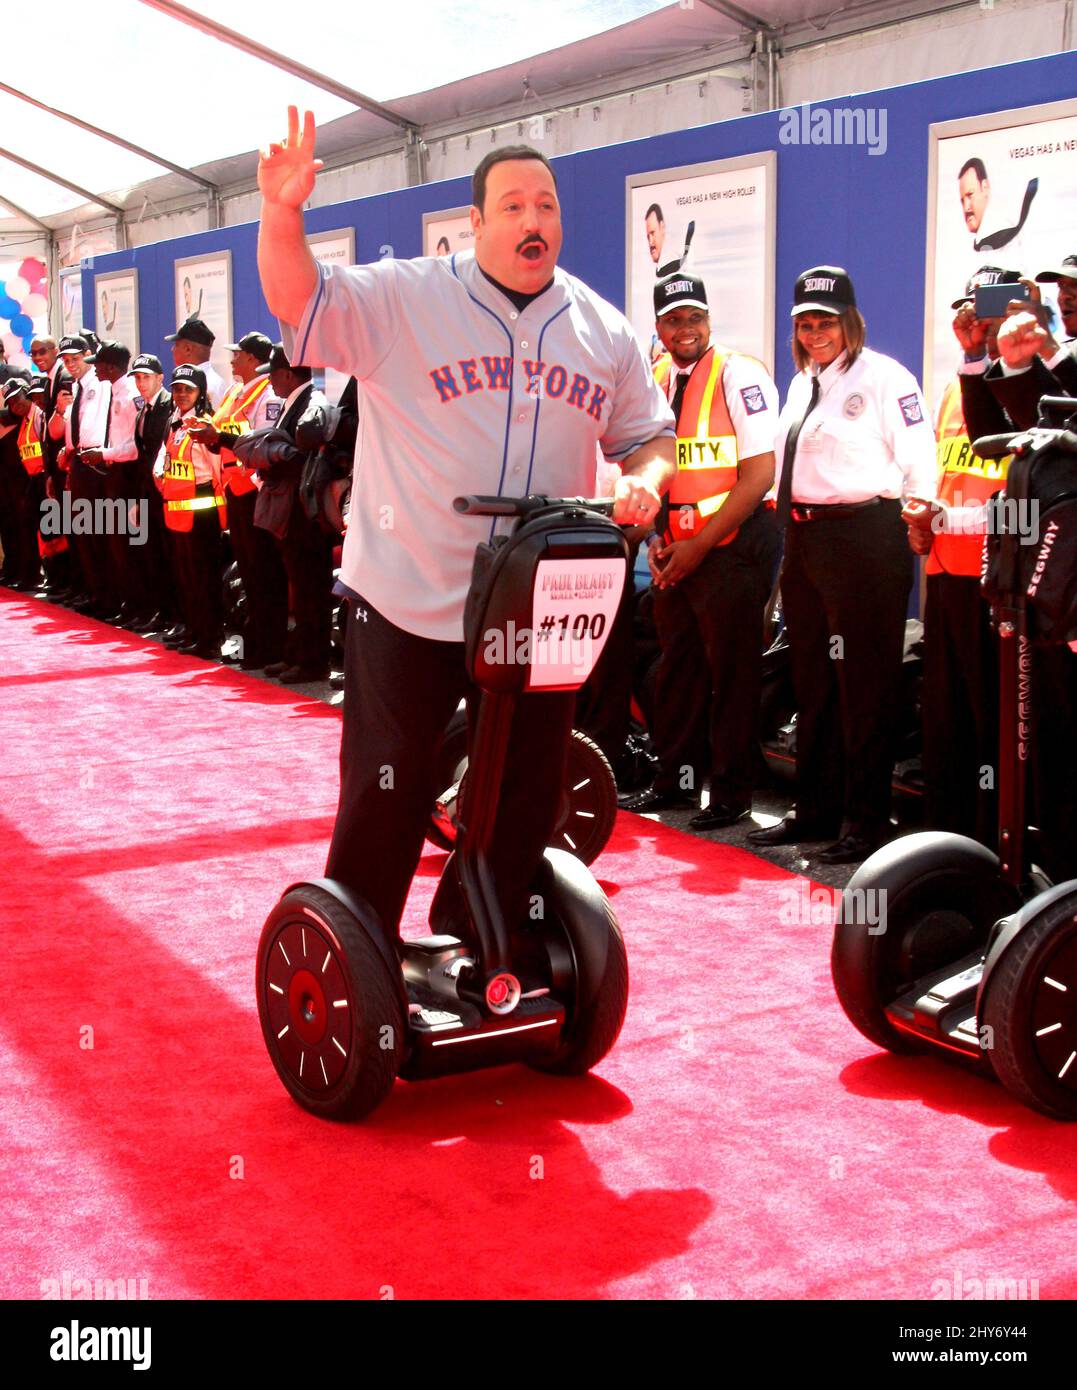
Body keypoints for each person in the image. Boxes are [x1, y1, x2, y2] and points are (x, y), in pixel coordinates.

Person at [257, 106, 675, 938]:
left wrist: (646, 482)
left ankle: (483, 942)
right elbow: (298, 301)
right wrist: (283, 211)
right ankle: (364, 952)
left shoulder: (602, 329)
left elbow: (647, 435)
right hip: (409, 594)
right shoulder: (405, 296)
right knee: (393, 787)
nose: (533, 220)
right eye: (513, 205)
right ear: (476, 222)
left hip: (541, 607)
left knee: (527, 793)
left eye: (546, 205)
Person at [748, 266, 937, 864]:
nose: (814, 332)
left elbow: (920, 459)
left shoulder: (886, 378)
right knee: (814, 682)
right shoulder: (802, 384)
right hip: (804, 544)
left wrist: (923, 510)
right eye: (805, 322)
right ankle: (815, 811)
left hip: (865, 542)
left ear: (850, 321)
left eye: (825, 321)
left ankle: (866, 822)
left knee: (865, 686)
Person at [619, 272, 780, 828]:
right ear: (658, 326)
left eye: (693, 317)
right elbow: (658, 465)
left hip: (732, 547)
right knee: (678, 668)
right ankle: (677, 785)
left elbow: (759, 475)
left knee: (731, 672)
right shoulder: (657, 376)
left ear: (708, 319)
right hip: (677, 550)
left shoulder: (740, 374)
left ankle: (731, 796)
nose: (684, 329)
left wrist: (698, 547)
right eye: (672, 319)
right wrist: (662, 538)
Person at [903, 267, 1021, 843]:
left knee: (992, 722)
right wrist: (924, 516)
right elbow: (946, 469)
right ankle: (941, 836)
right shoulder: (958, 381)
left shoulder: (1028, 388)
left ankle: (991, 841)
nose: (980, 323)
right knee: (943, 715)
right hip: (946, 572)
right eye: (973, 310)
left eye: (992, 312)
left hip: (998, 582)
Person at [187, 331, 287, 669]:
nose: (232, 360)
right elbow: (222, 432)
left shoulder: (267, 393)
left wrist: (220, 437)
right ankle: (255, 643)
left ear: (255, 360)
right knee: (247, 571)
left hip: (256, 491)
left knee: (263, 573)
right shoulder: (234, 392)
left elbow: (263, 441)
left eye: (239, 355)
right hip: (235, 489)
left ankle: (270, 647)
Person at [153, 364, 226, 659]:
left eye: (188, 389)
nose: (182, 394)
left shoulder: (203, 425)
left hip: (201, 513)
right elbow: (168, 460)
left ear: (201, 393)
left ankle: (209, 638)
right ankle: (194, 631)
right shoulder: (177, 423)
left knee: (203, 577)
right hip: (178, 513)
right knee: (187, 576)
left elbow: (216, 470)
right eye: (178, 389)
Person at [127, 354, 176, 634]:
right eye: (137, 377)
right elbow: (141, 455)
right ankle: (158, 611)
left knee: (167, 555)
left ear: (160, 378)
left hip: (166, 491)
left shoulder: (169, 407)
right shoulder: (143, 409)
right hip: (147, 491)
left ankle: (170, 614)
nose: (141, 383)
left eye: (146, 377)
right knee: (150, 554)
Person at [165, 317, 226, 409]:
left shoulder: (208, 384)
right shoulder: (215, 382)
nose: (172, 349)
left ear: (188, 349)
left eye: (177, 345)